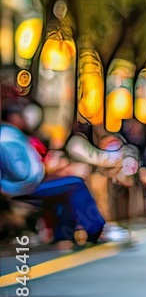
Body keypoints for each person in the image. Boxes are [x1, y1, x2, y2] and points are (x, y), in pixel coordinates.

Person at [2, 100, 108, 245]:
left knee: (66, 187)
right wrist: (47, 168)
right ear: (14, 117)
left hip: (26, 184)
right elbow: (20, 172)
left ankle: (63, 234)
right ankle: (93, 228)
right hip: (22, 187)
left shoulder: (13, 135)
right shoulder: (8, 137)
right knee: (75, 184)